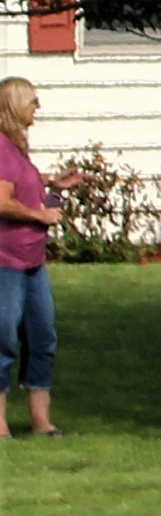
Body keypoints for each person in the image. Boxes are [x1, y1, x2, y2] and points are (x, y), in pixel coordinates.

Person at [0, 75, 58, 437]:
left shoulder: (16, 147)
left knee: (43, 338)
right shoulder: (2, 149)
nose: (37, 107)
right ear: (15, 105)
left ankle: (41, 421)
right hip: (6, 261)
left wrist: (53, 183)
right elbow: (2, 201)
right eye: (32, 100)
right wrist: (42, 215)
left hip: (33, 262)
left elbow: (19, 186)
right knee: (3, 338)